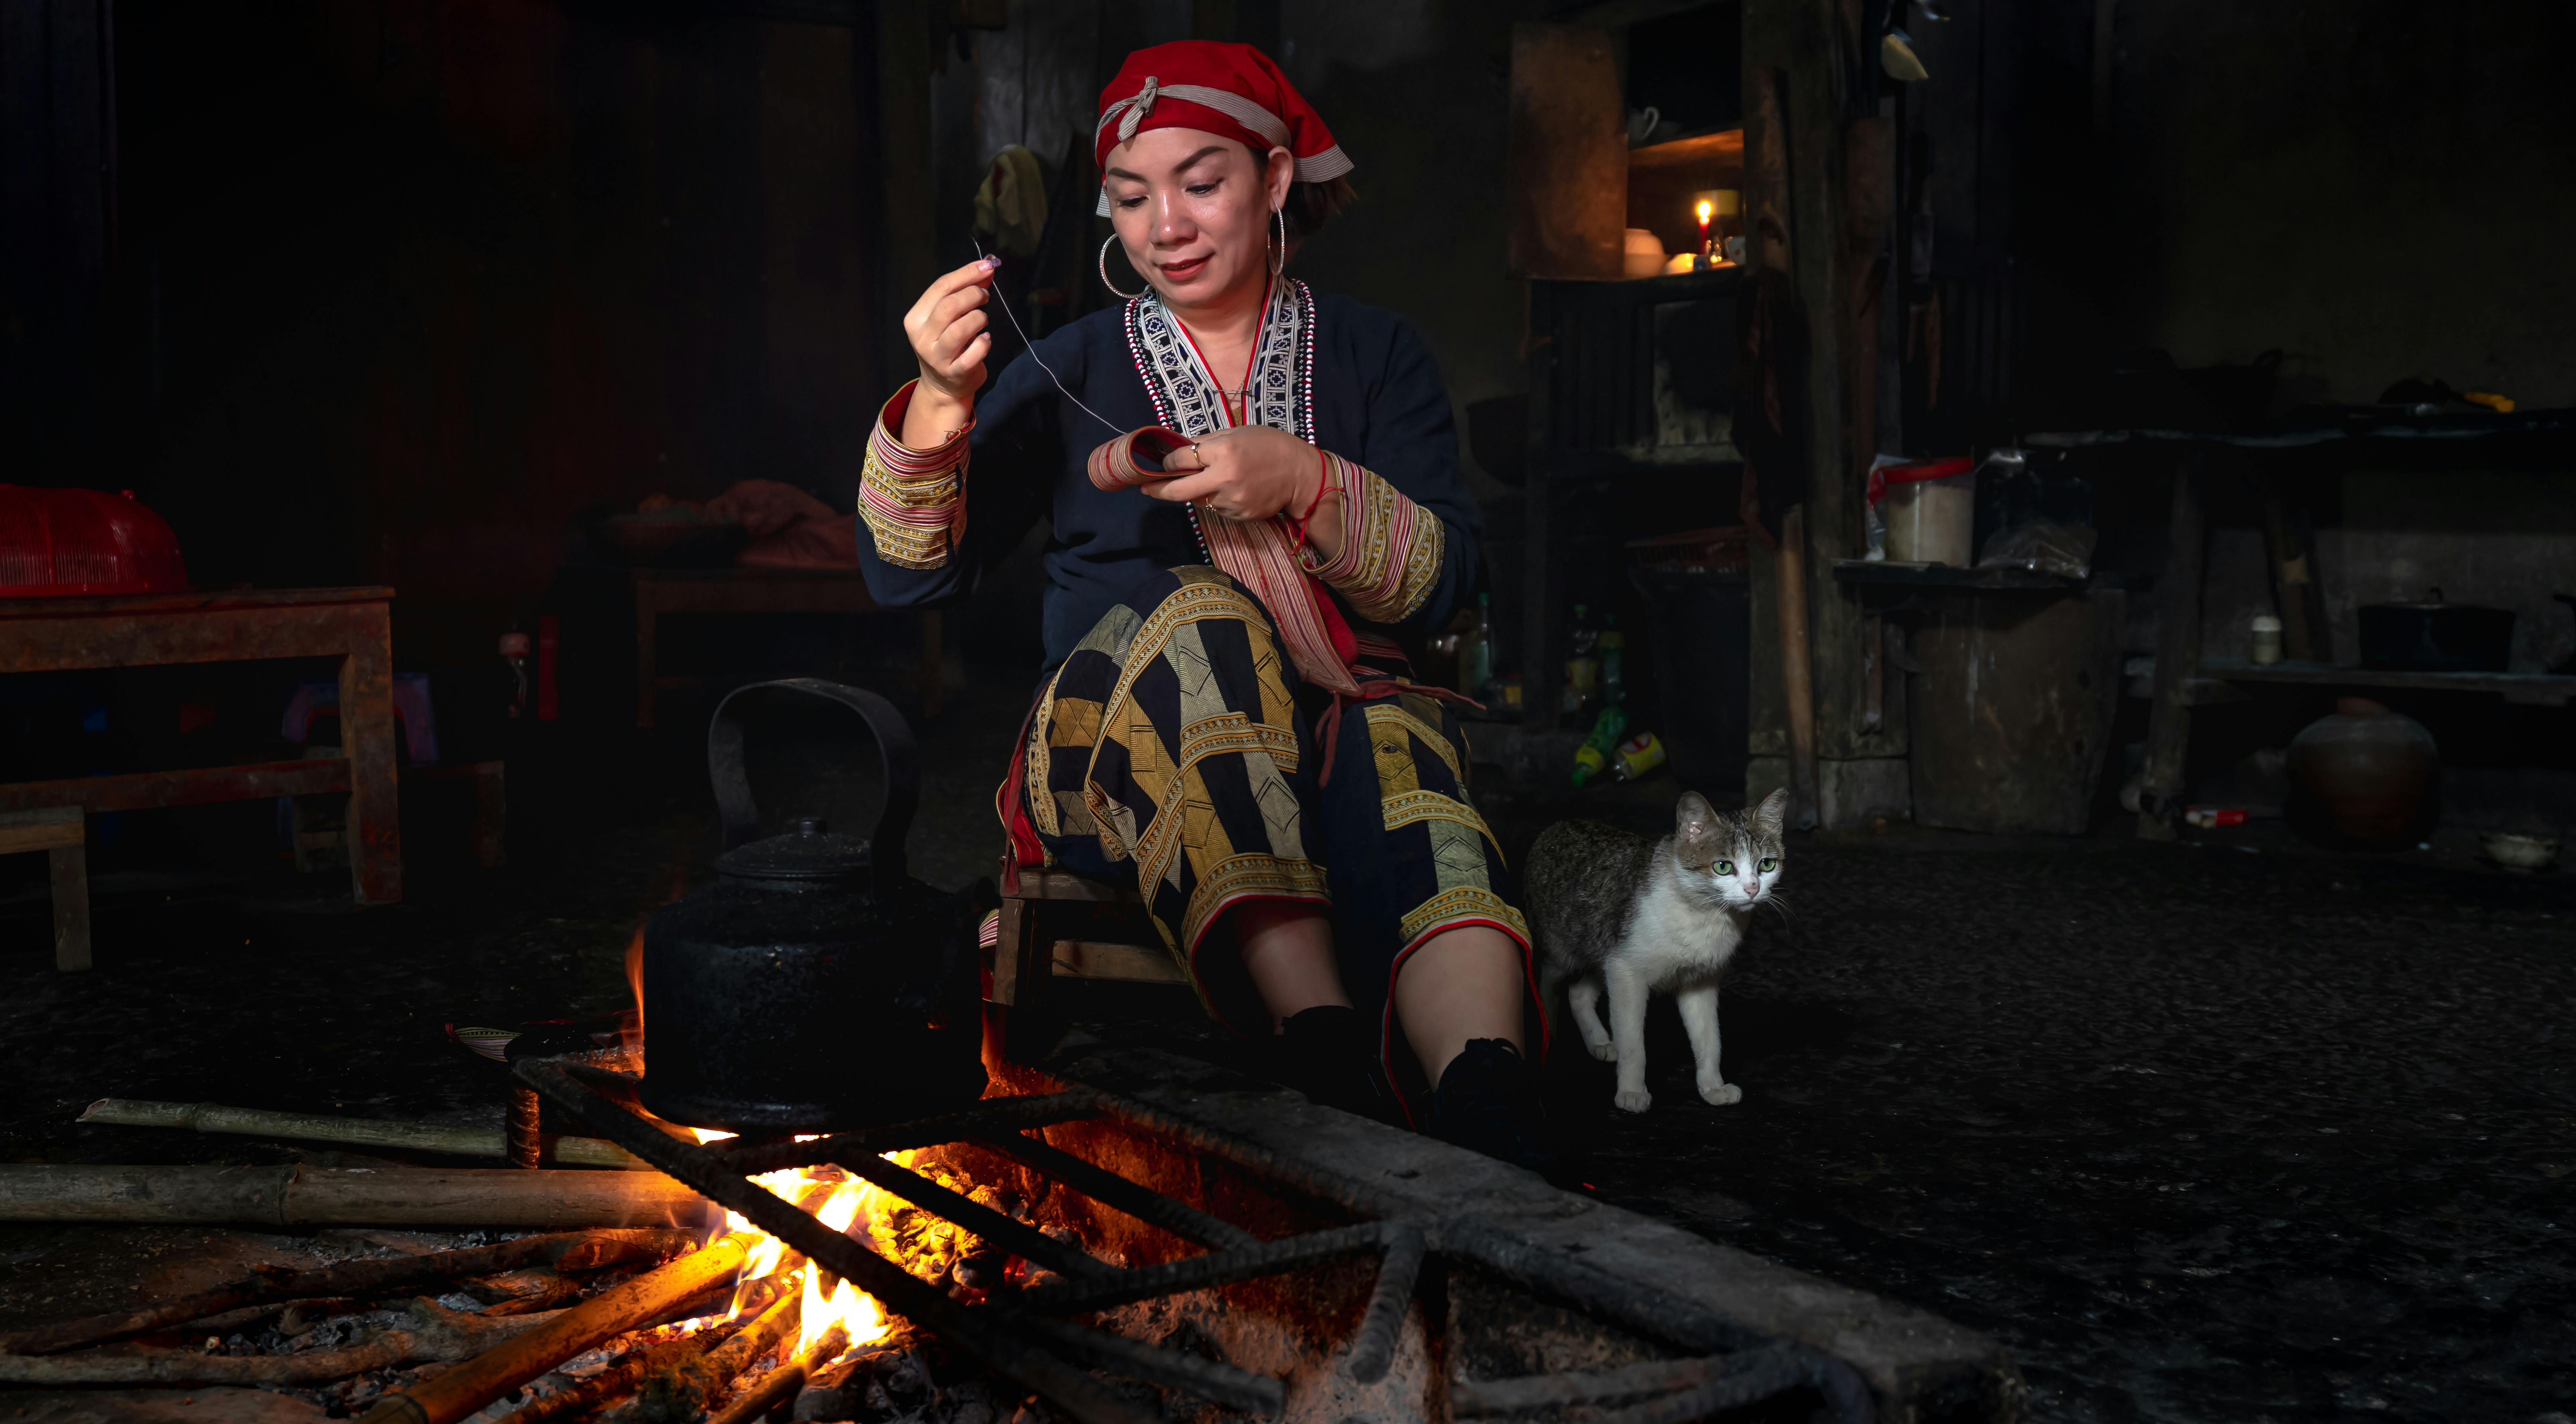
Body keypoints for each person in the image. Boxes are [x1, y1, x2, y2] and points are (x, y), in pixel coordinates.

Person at [852, 40, 1546, 1171]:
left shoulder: (1376, 356)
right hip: (1106, 763)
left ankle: (1488, 1092)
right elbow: (911, 575)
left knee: (1396, 730)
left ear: (1274, 180)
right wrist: (938, 394)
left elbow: (1445, 585)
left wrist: (1305, 481)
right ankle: (1323, 1052)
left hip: (1336, 737)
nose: (1164, 226)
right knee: (1201, 621)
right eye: (1131, 198)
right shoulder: (1072, 365)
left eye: (1200, 184)